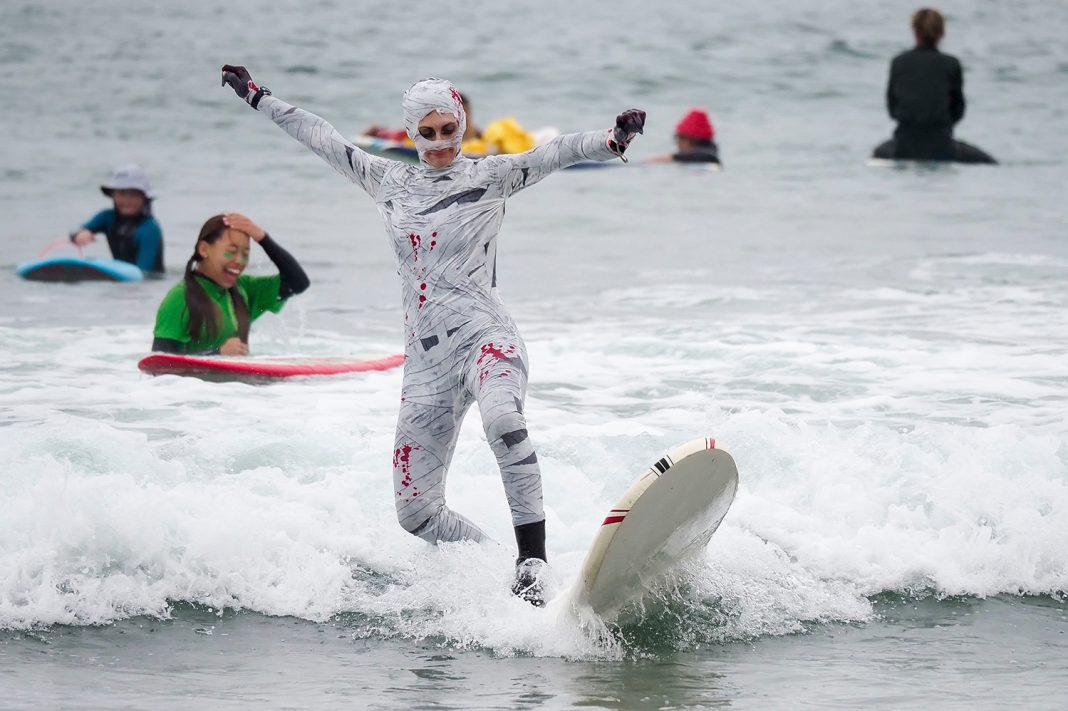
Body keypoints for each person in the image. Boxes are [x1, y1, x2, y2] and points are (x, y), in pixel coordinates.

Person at [220, 64, 644, 604]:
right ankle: (505, 571)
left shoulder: (492, 176)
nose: (441, 143)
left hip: (487, 339)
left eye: (450, 130)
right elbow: (321, 138)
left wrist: (613, 139)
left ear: (462, 126)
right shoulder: (388, 182)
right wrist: (258, 97)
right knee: (416, 512)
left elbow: (555, 153)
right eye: (429, 132)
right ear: (411, 132)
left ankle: (532, 561)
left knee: (504, 419)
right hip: (427, 366)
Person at [151, 213, 309, 355]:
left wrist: (263, 239)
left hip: (237, 388)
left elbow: (297, 282)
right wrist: (217, 353)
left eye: (245, 254)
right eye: (231, 251)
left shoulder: (244, 289)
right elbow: (160, 364)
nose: (239, 261)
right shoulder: (180, 298)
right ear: (204, 249)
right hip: (194, 387)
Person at [872, 8, 996, 164]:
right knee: (991, 162)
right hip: (942, 145)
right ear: (941, 33)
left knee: (877, 154)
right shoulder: (951, 64)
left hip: (904, 145)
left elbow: (892, 109)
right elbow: (958, 110)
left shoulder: (898, 62)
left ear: (914, 32)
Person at [71, 164, 165, 274]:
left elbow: (144, 272)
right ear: (113, 195)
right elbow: (75, 232)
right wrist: (82, 233)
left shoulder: (150, 229)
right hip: (122, 281)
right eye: (122, 194)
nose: (127, 200)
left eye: (133, 194)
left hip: (149, 284)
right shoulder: (107, 217)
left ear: (144, 198)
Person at [648, 109, 721, 165]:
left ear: (688, 139)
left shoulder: (707, 157)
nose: (677, 143)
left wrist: (672, 158)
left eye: (678, 137)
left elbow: (706, 156)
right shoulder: (711, 151)